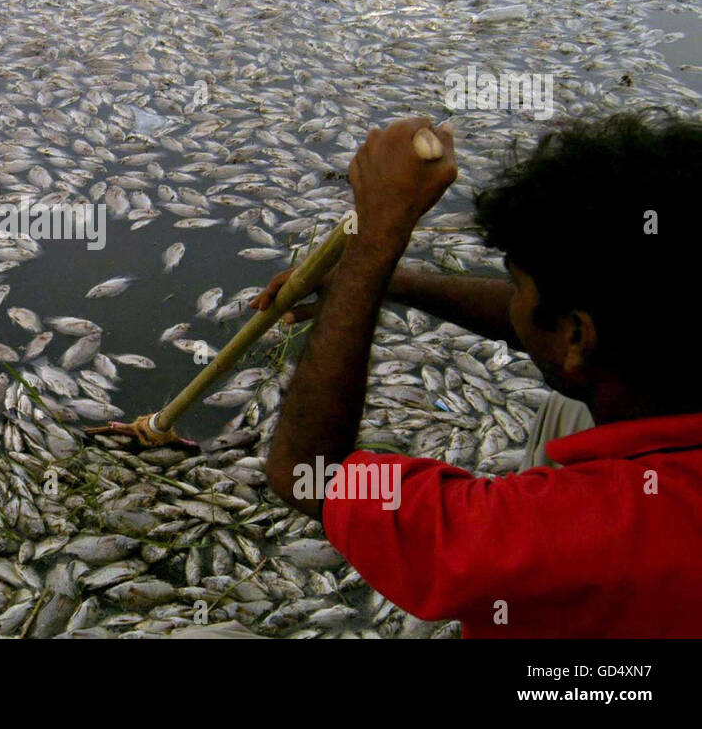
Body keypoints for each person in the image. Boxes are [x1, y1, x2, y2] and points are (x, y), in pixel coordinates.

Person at [252, 111, 702, 637]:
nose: (513, 301)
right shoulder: (661, 339)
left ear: (578, 336)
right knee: (570, 403)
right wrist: (391, 284)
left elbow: (308, 474)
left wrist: (372, 248)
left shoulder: (547, 532)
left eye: (518, 284)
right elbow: (548, 327)